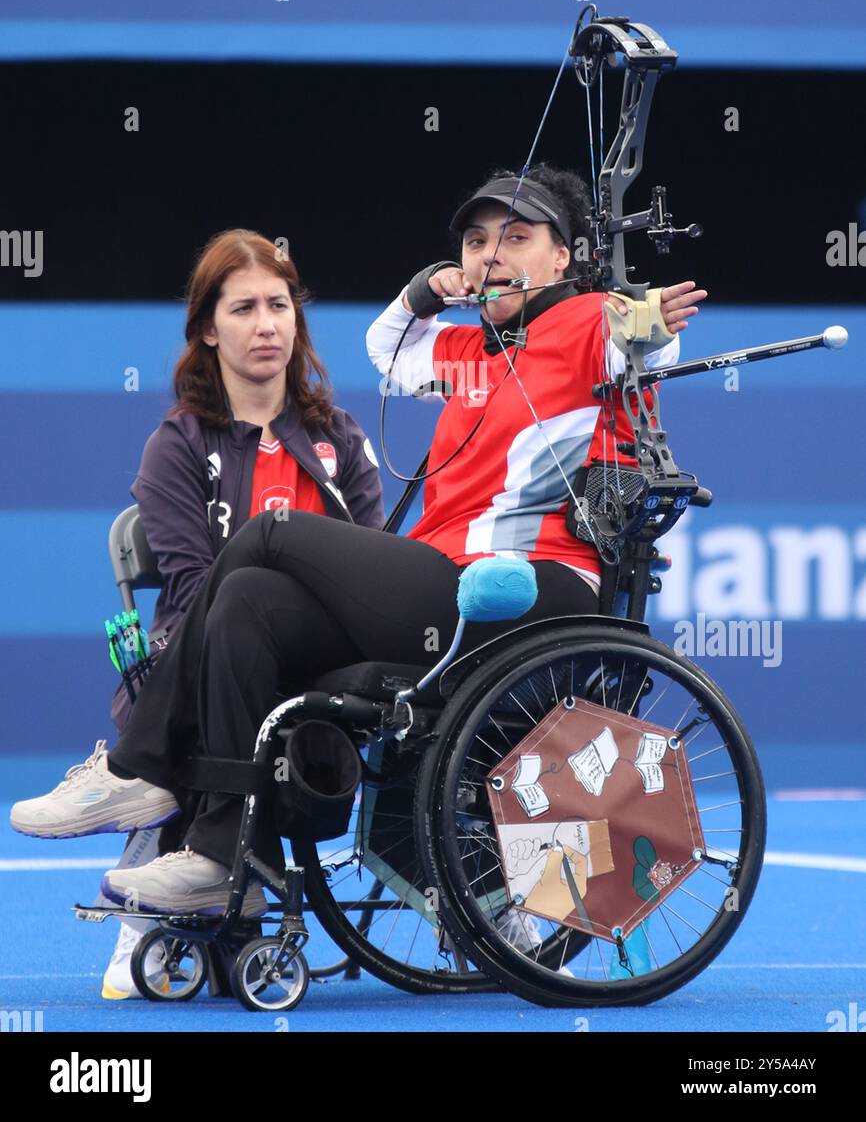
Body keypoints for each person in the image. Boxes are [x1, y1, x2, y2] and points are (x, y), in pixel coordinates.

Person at [10, 167, 706, 925]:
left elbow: (633, 340)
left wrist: (648, 321)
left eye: (516, 237)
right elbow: (387, 347)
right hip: (446, 583)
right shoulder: (468, 353)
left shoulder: (582, 324)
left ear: (562, 260)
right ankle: (224, 859)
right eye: (476, 241)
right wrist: (427, 290)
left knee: (268, 534)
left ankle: (139, 766)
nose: (490, 254)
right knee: (248, 602)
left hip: (522, 590)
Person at [47, 228, 384, 997]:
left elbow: (373, 578)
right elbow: (195, 592)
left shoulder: (340, 442)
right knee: (231, 624)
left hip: (326, 671)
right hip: (208, 663)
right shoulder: (176, 446)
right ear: (208, 327)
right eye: (243, 309)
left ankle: (140, 784)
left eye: (279, 305)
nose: (266, 324)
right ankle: (151, 912)